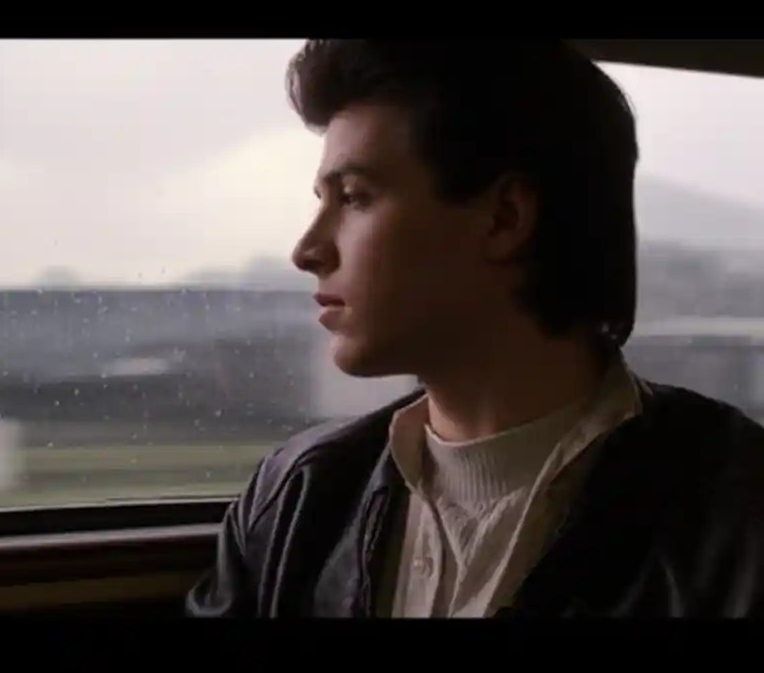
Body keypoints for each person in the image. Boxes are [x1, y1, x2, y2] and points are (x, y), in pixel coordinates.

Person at [184, 39, 764, 618]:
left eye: (355, 198)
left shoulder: (736, 519)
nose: (307, 249)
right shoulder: (296, 499)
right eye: (322, 200)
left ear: (505, 217)